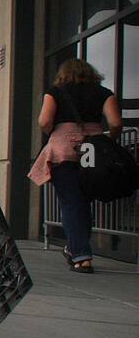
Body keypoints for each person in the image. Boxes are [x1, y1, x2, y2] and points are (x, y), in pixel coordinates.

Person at [28, 58, 123, 274]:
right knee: (83, 201)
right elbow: (116, 123)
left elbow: (44, 121)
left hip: (63, 150)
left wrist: (57, 133)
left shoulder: (56, 91)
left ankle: (81, 255)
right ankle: (75, 249)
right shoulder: (103, 92)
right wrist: (108, 141)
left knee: (71, 201)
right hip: (94, 150)